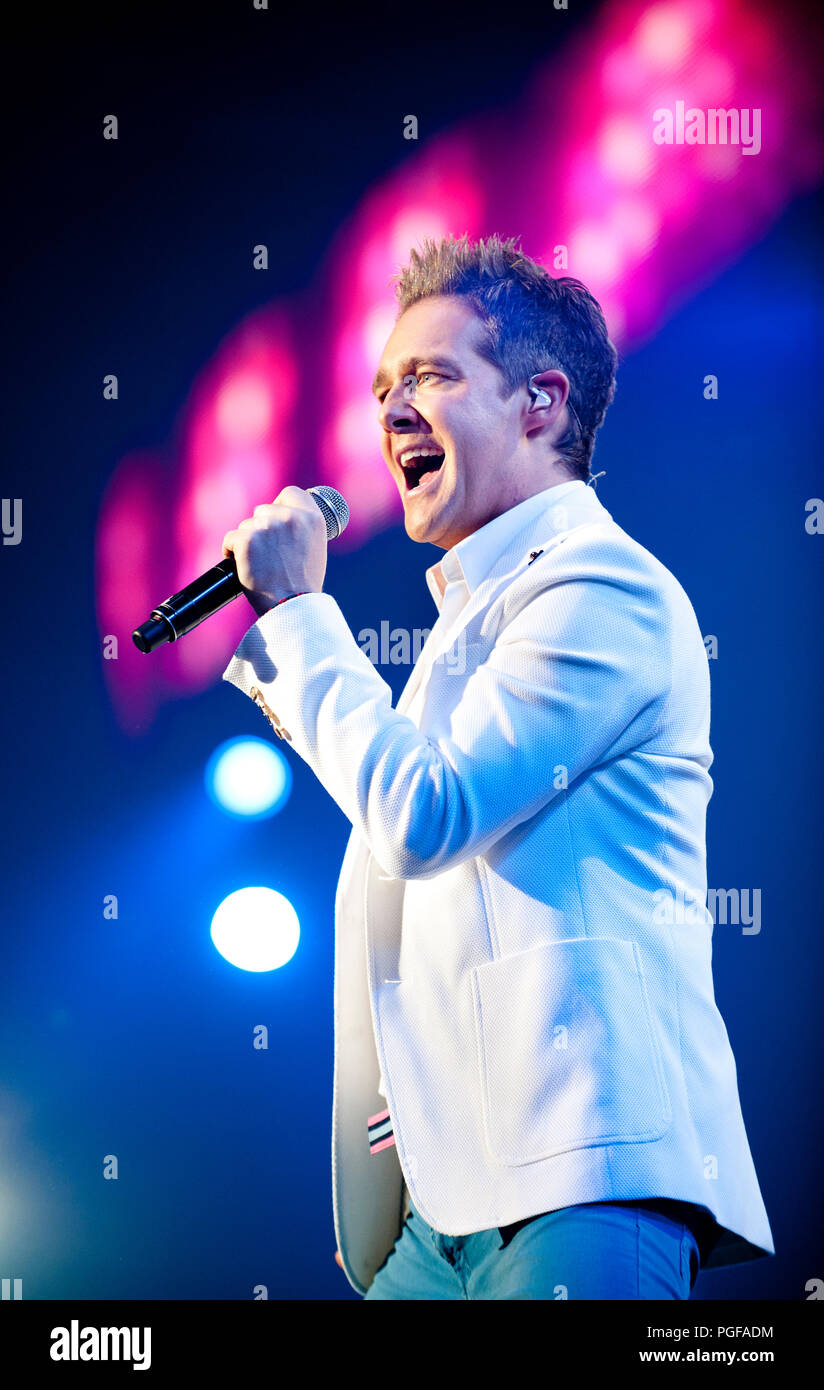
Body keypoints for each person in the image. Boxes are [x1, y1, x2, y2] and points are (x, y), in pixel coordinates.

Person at [220, 233, 774, 1299]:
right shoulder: (464, 627)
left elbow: (423, 816)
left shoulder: (602, 586)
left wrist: (297, 614)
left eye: (427, 376)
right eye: (381, 386)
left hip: (579, 1182)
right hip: (440, 1218)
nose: (388, 412)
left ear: (539, 402)